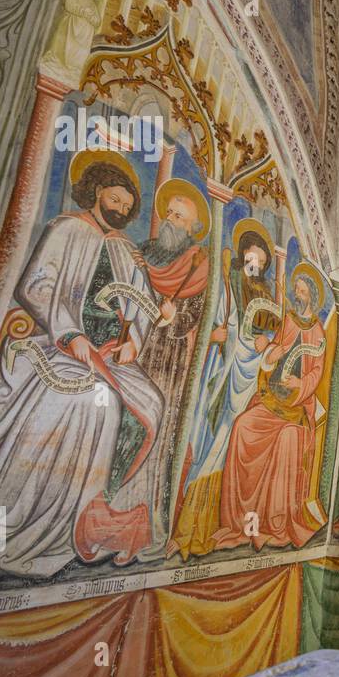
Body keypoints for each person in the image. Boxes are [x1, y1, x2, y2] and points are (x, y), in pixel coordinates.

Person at [0, 151, 163, 583]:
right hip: (57, 347)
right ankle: (36, 523)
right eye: (115, 200)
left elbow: (143, 305)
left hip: (111, 357)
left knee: (149, 403)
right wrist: (71, 335)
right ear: (97, 192)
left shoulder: (123, 250)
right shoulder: (66, 230)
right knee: (83, 405)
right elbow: (36, 286)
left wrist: (132, 343)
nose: (120, 210)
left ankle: (86, 520)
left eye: (126, 206)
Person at [169, 218, 279, 558]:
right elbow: (210, 322)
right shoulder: (227, 285)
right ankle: (187, 528)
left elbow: (272, 329)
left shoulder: (263, 293)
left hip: (249, 376)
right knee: (209, 440)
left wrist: (267, 340)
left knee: (232, 441)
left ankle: (213, 527)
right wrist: (213, 335)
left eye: (260, 262)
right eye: (251, 258)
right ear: (242, 256)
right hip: (222, 371)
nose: (254, 265)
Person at [213, 264, 327, 550]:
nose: (297, 294)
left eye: (302, 290)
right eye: (296, 289)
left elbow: (316, 374)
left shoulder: (317, 332)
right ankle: (238, 520)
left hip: (297, 410)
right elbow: (274, 350)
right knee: (241, 427)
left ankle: (275, 522)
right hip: (272, 399)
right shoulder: (287, 321)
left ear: (312, 295)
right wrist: (270, 351)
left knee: (288, 439)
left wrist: (298, 384)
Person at [125, 178, 211, 559]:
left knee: (156, 431)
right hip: (130, 348)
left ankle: (142, 521)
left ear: (194, 228)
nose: (172, 221)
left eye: (181, 216)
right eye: (170, 213)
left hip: (169, 360)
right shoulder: (143, 252)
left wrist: (174, 317)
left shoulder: (198, 266)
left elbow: (197, 316)